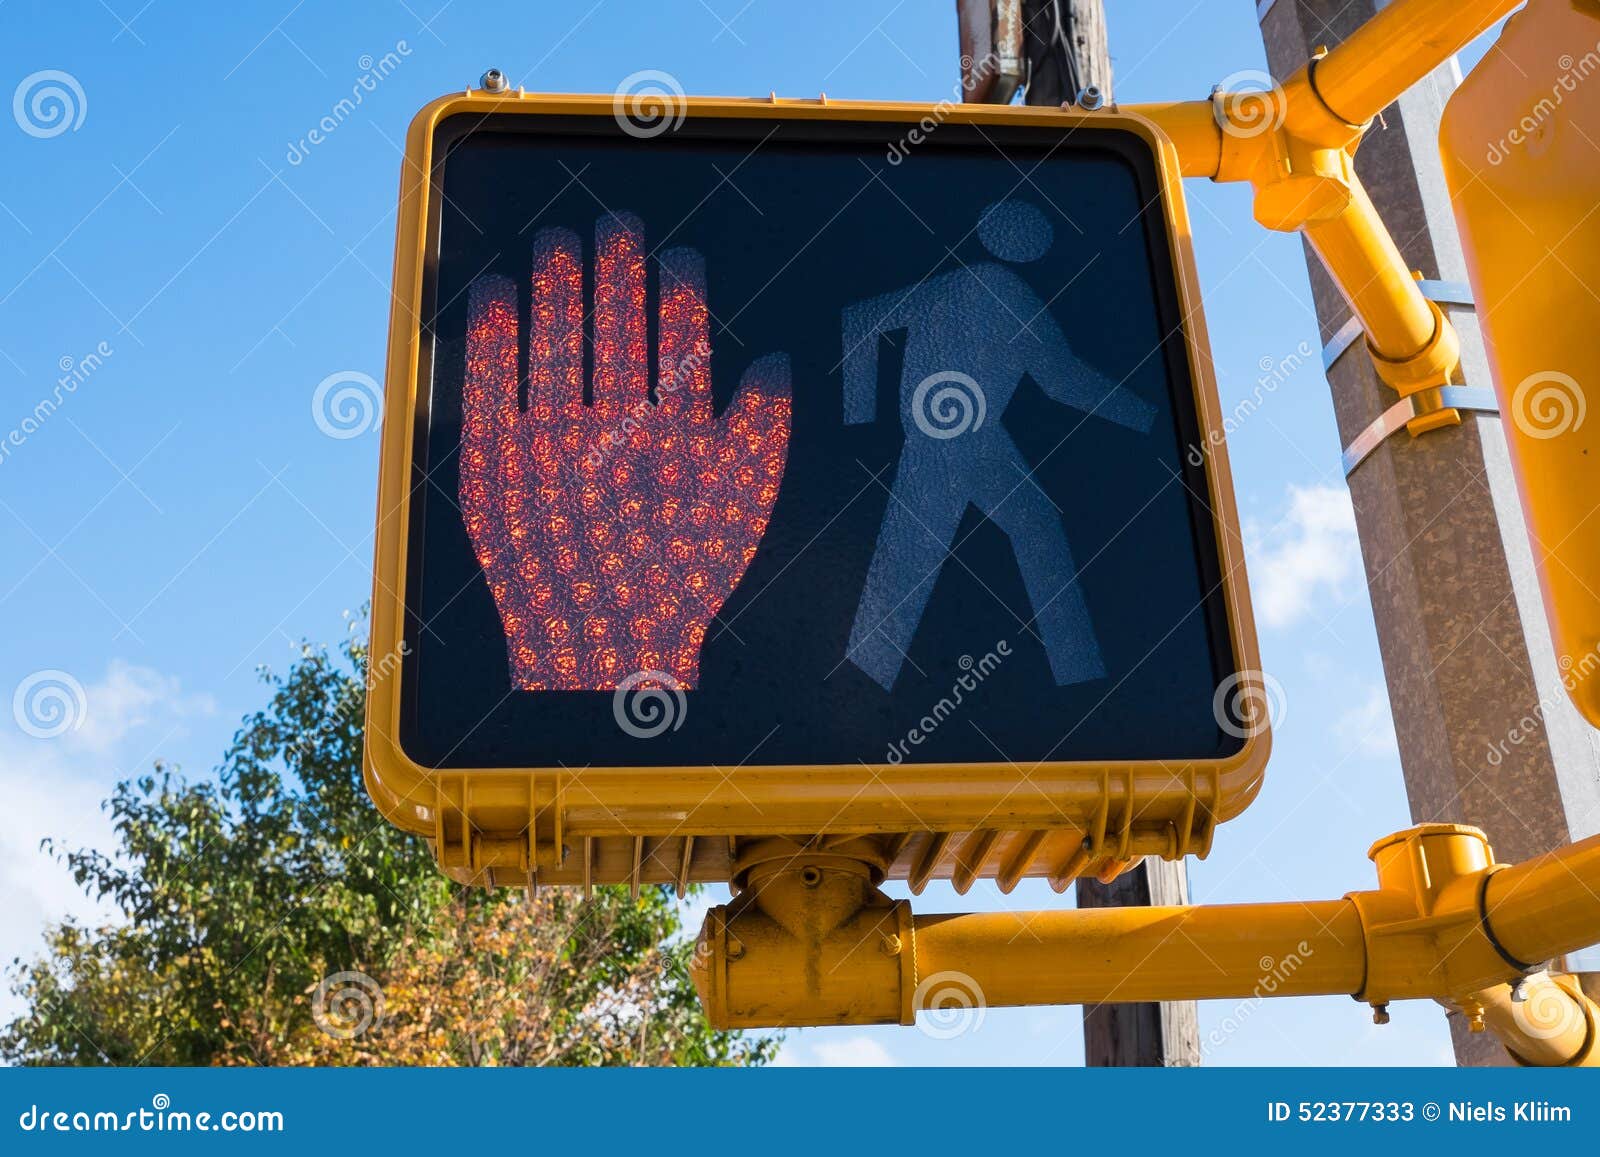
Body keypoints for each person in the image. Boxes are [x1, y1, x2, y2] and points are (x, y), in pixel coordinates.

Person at [839, 200, 1155, 691]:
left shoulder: (1000, 293)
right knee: (913, 553)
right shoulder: (976, 287)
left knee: (1033, 525)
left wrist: (1143, 417)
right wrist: (859, 416)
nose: (1037, 242)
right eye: (1030, 234)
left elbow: (1059, 378)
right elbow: (861, 319)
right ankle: (862, 682)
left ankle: (1082, 678)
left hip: (976, 437)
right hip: (941, 437)